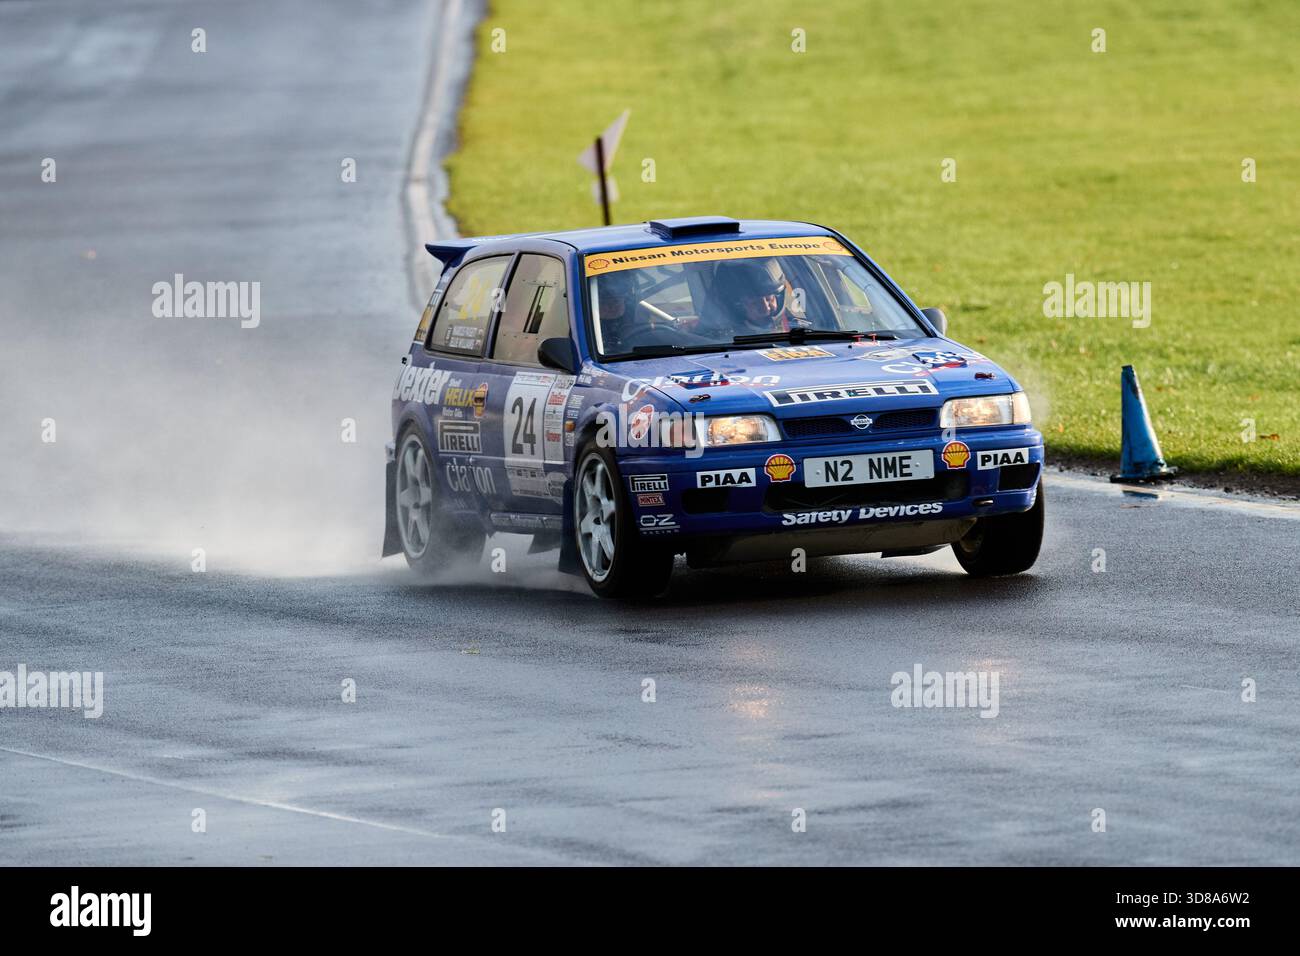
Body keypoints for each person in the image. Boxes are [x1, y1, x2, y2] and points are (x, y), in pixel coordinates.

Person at [708, 259, 803, 335]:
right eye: (755, 303)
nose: (765, 308)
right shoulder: (718, 339)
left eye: (769, 299)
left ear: (779, 297)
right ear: (737, 307)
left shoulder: (800, 328)